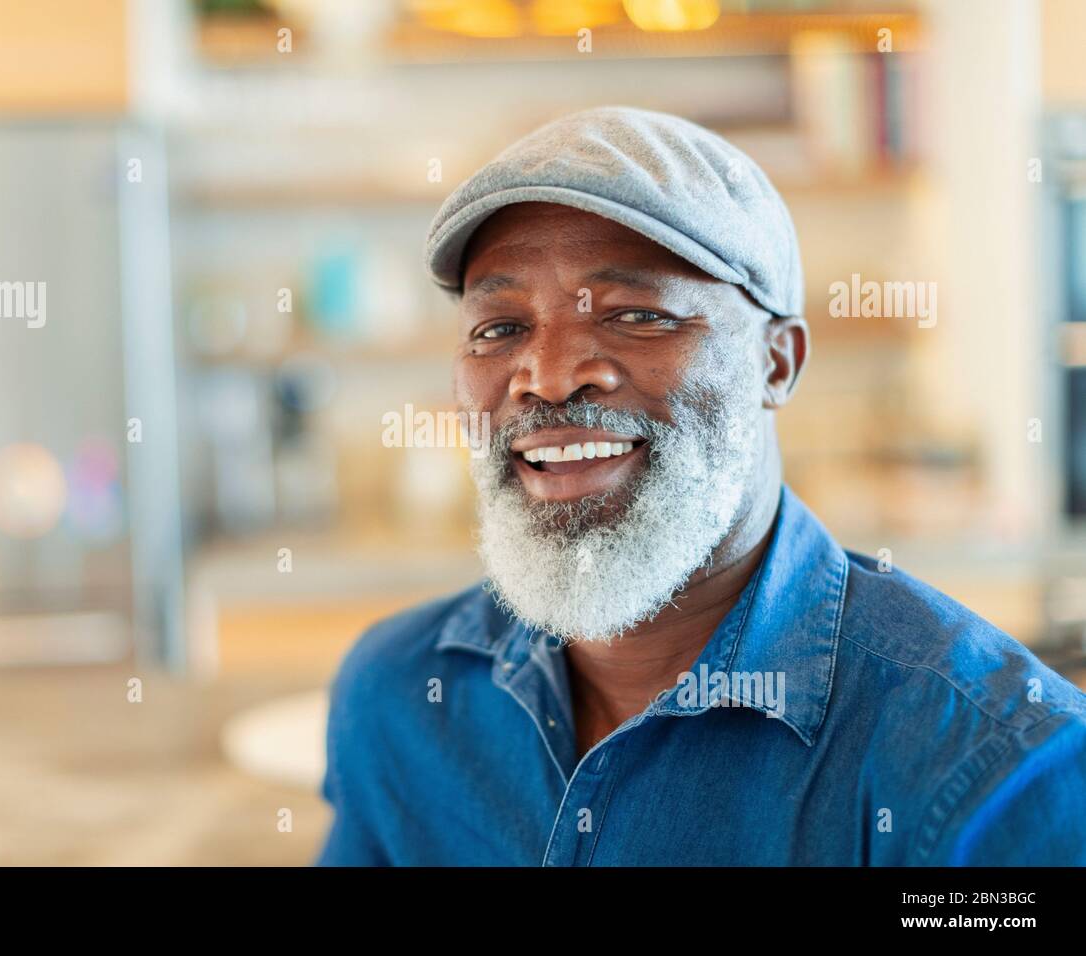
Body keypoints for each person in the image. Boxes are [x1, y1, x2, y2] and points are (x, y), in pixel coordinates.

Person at [315, 106, 1086, 866]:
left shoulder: (993, 765)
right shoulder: (400, 697)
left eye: (638, 315)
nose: (547, 376)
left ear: (776, 363)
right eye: (499, 329)